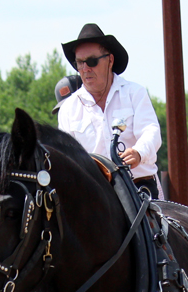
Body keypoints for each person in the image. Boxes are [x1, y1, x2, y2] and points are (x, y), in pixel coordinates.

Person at [57, 23, 164, 200]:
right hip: (95, 198)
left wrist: (138, 152)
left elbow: (151, 131)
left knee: (160, 227)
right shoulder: (68, 109)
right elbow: (66, 159)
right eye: (79, 63)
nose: (85, 69)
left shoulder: (134, 93)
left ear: (110, 60)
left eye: (91, 61)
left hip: (141, 189)